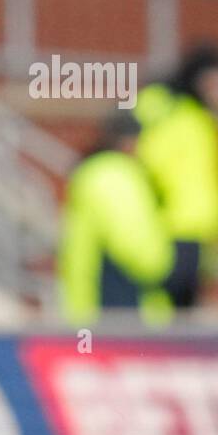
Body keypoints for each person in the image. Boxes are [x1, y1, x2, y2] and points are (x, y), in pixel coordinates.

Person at [135, 43, 218, 309]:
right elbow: (149, 160)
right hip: (172, 231)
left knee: (184, 312)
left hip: (198, 233)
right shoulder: (174, 113)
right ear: (204, 80)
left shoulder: (201, 120)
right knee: (167, 311)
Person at [59, 112, 175, 326]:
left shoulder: (93, 172)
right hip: (119, 299)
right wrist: (164, 266)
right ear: (131, 142)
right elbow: (134, 243)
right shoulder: (115, 176)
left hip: (89, 301)